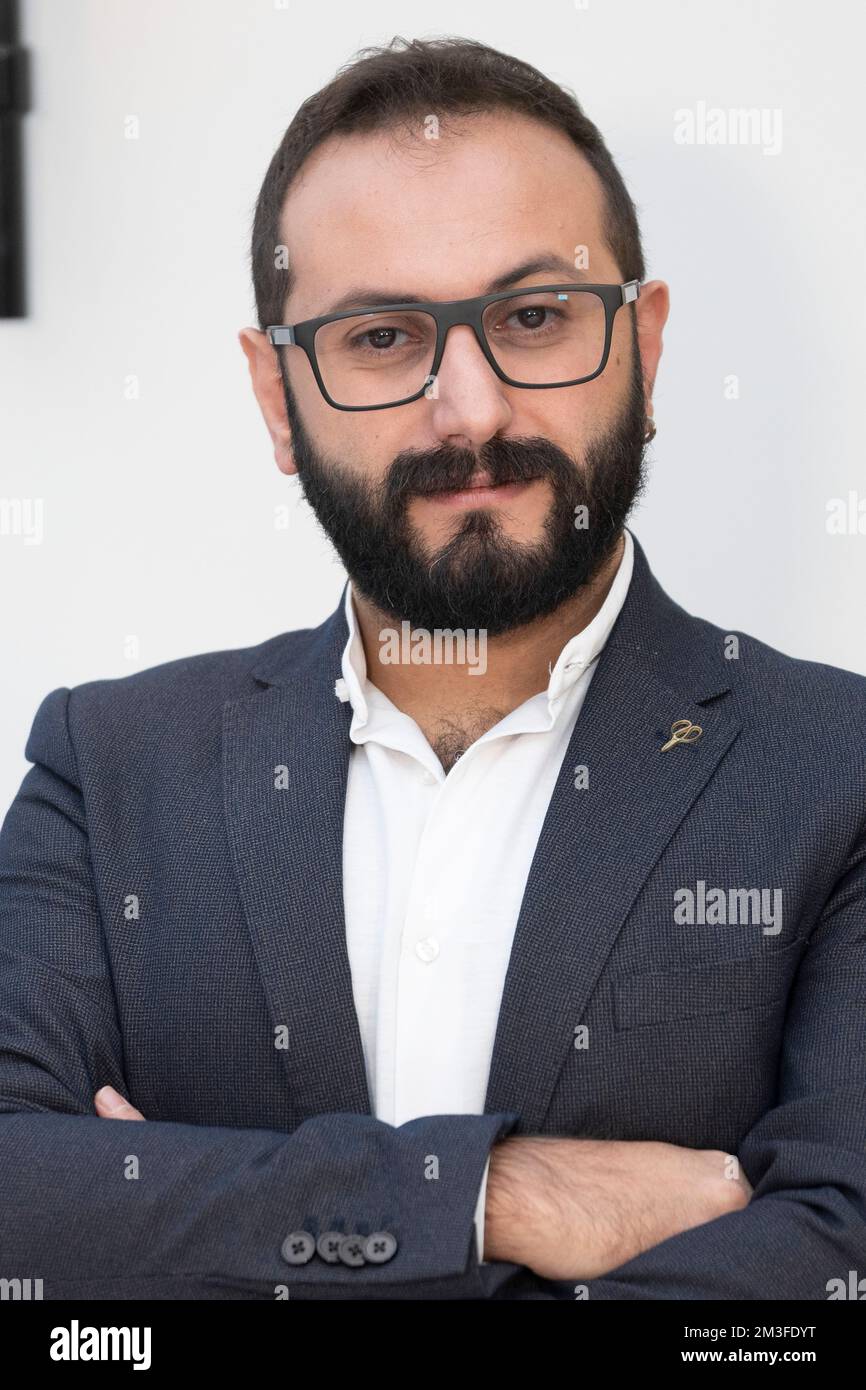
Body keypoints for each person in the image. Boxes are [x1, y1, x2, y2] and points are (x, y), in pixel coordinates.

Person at [1, 35, 864, 1301]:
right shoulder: (110, 766)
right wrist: (485, 1197)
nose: (469, 409)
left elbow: (834, 1263)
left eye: (532, 317)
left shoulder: (832, 769)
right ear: (277, 397)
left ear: (646, 345)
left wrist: (201, 1233)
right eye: (383, 337)